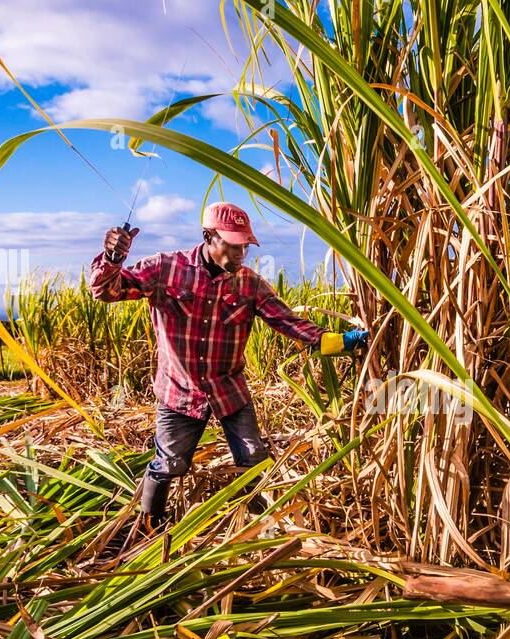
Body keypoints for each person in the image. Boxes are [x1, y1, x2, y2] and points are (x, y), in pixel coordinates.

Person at [89, 201, 368, 531]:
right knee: (170, 463)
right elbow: (105, 290)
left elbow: (289, 323)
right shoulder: (166, 269)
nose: (241, 254)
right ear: (208, 236)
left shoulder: (250, 284)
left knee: (253, 460)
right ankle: (150, 527)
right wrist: (113, 259)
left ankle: (260, 527)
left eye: (245, 246)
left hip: (229, 390)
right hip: (180, 390)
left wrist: (339, 342)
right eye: (234, 246)